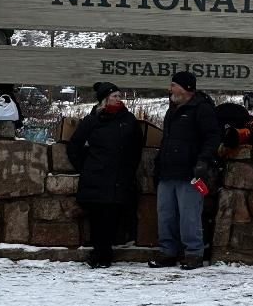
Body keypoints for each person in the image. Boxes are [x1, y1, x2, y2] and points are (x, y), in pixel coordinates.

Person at [66, 82, 144, 269]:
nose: (119, 98)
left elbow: (136, 148)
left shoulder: (129, 119)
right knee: (97, 217)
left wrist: (128, 169)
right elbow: (74, 146)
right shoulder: (92, 119)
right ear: (105, 98)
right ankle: (98, 254)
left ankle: (105, 254)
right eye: (115, 95)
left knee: (112, 217)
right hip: (96, 177)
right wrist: (85, 167)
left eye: (119, 95)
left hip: (119, 177)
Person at [150, 70, 221, 270]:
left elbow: (212, 137)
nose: (170, 89)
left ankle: (193, 253)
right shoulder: (172, 109)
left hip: (190, 172)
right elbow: (167, 139)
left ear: (186, 88)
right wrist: (159, 162)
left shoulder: (202, 108)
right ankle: (167, 251)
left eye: (174, 85)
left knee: (190, 215)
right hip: (167, 170)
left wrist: (203, 161)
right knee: (165, 215)